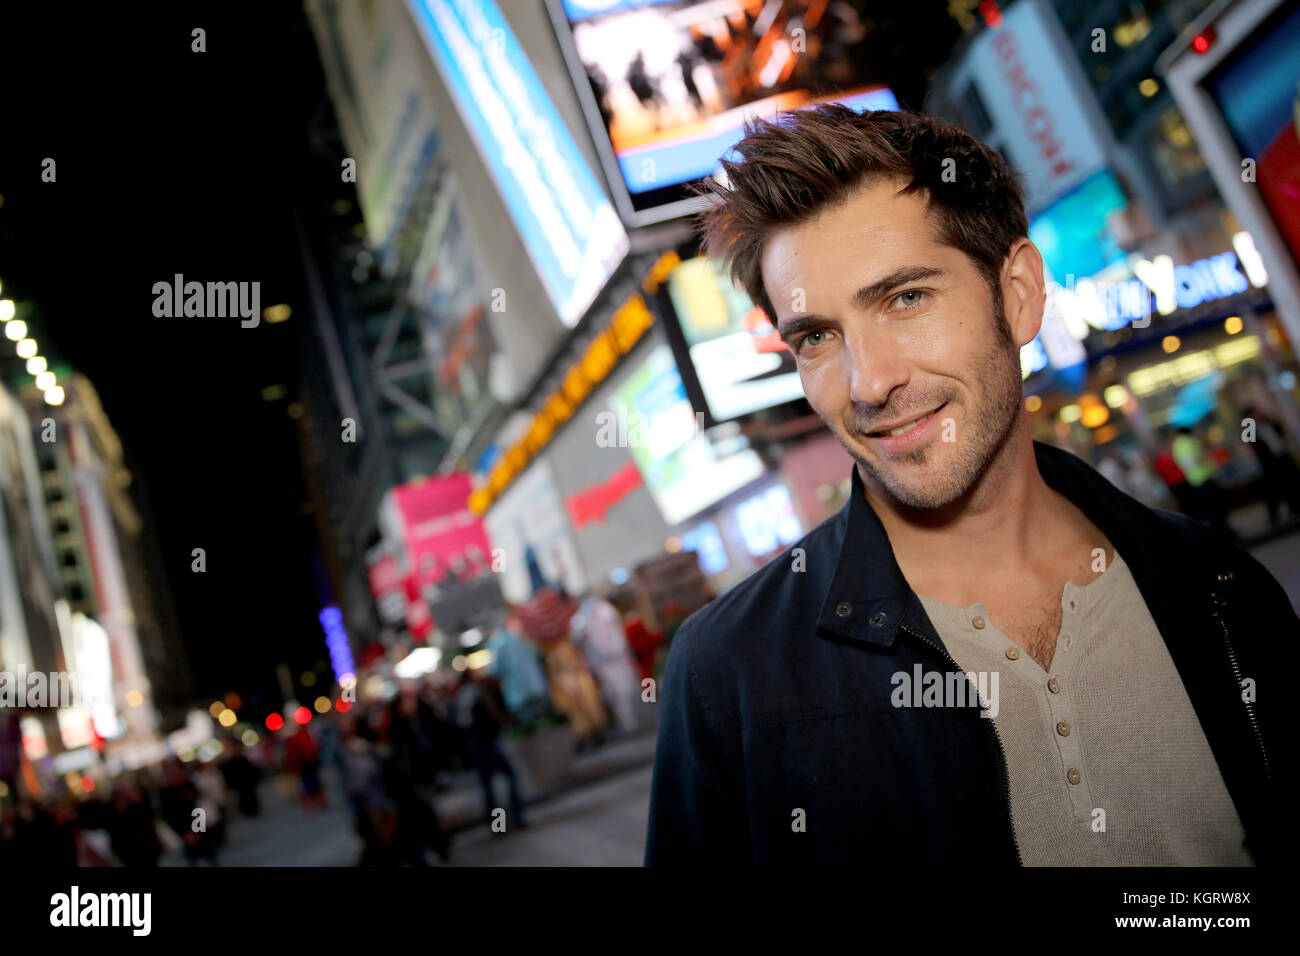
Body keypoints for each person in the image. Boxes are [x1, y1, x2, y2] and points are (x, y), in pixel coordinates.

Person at [646, 105, 1297, 866]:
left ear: (1017, 292)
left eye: (905, 298)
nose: (870, 381)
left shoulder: (1217, 585)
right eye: (817, 336)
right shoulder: (729, 679)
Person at [456, 669, 527, 829]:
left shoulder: (467, 693)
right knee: (504, 780)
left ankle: (499, 825)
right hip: (486, 743)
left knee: (491, 786)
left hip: (481, 743)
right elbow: (469, 721)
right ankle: (513, 819)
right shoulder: (472, 693)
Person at [570, 591, 643, 734]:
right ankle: (625, 721)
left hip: (618, 656)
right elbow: (577, 638)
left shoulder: (606, 610)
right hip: (602, 662)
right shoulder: (581, 618)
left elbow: (618, 632)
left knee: (627, 688)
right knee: (612, 693)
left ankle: (632, 719)